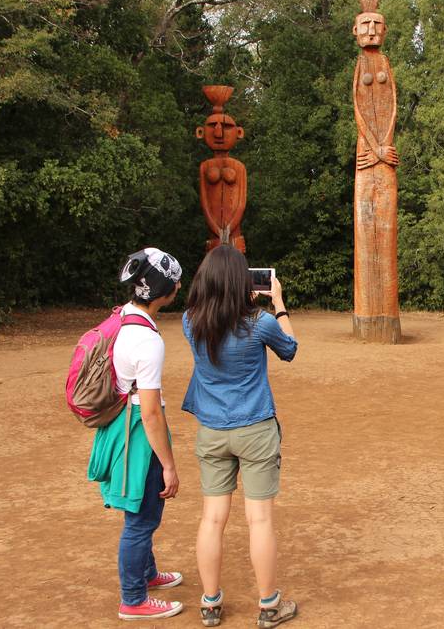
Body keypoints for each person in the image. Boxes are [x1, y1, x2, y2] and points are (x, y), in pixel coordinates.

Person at [181, 245, 299, 628]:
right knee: (259, 520)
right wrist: (277, 303)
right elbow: (290, 349)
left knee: (212, 519)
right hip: (255, 429)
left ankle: (210, 603)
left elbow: (217, 324)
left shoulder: (190, 321)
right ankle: (268, 605)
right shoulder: (259, 323)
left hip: (213, 430)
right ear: (243, 282)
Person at [87, 248, 185, 621]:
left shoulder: (123, 317)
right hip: (137, 434)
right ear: (166, 291)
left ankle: (146, 574)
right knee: (141, 518)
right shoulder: (148, 341)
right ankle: (133, 599)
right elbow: (150, 412)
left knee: (142, 513)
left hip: (119, 425)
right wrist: (169, 465)